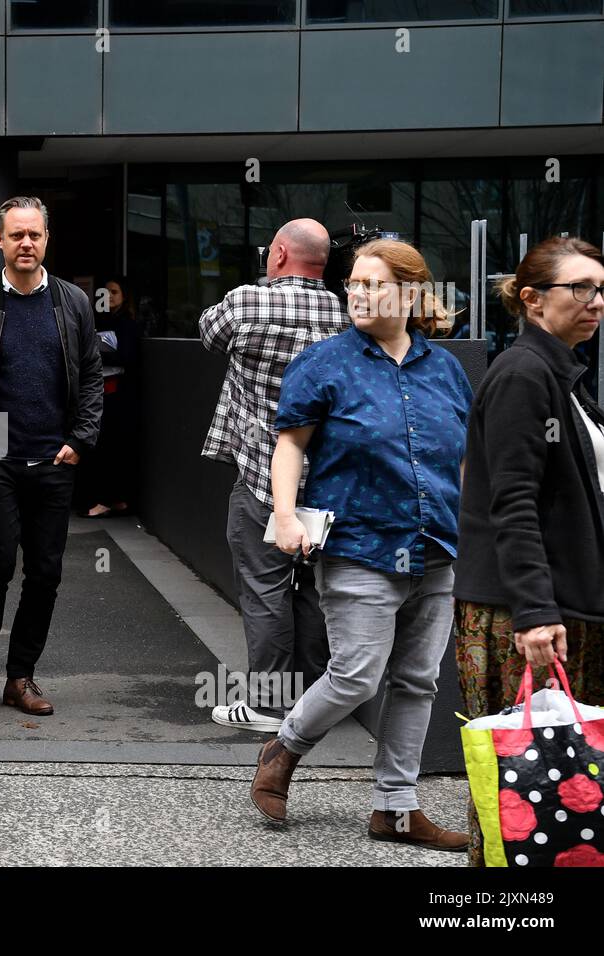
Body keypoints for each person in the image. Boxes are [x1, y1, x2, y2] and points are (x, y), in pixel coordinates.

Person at [253, 238, 472, 851]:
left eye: (375, 284)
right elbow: (291, 445)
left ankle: (396, 809)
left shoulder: (445, 368)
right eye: (354, 282)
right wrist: (286, 514)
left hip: (435, 547)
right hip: (359, 544)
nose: (360, 293)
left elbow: (457, 458)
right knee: (356, 675)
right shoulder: (324, 362)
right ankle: (285, 745)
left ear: (411, 294)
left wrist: (469, 525)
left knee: (417, 681)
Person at [453, 236, 604, 866]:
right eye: (582, 288)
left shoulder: (563, 373)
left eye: (602, 288)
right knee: (523, 788)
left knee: (546, 791)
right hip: (527, 612)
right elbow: (512, 502)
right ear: (533, 300)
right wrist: (537, 614)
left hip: (557, 603)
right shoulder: (523, 374)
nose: (597, 301)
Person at [0, 196, 103, 717]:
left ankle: (21, 675)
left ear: (46, 240)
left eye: (34, 235)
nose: (26, 243)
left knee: (45, 572)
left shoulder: (72, 303)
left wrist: (80, 439)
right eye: (16, 235)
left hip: (54, 459)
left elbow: (90, 375)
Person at [200, 219, 344, 733]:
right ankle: (314, 701)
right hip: (327, 483)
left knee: (265, 589)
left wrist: (262, 289)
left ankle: (267, 703)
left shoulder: (245, 303)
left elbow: (207, 331)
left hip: (264, 475)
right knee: (310, 590)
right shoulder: (346, 312)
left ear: (279, 253)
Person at [77, 276, 141, 519]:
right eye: (105, 292)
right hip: (101, 394)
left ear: (124, 296)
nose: (109, 296)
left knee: (113, 448)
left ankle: (110, 499)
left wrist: (100, 351)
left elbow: (125, 356)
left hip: (118, 398)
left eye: (114, 292)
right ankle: (112, 498)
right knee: (102, 446)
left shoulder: (128, 325)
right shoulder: (100, 319)